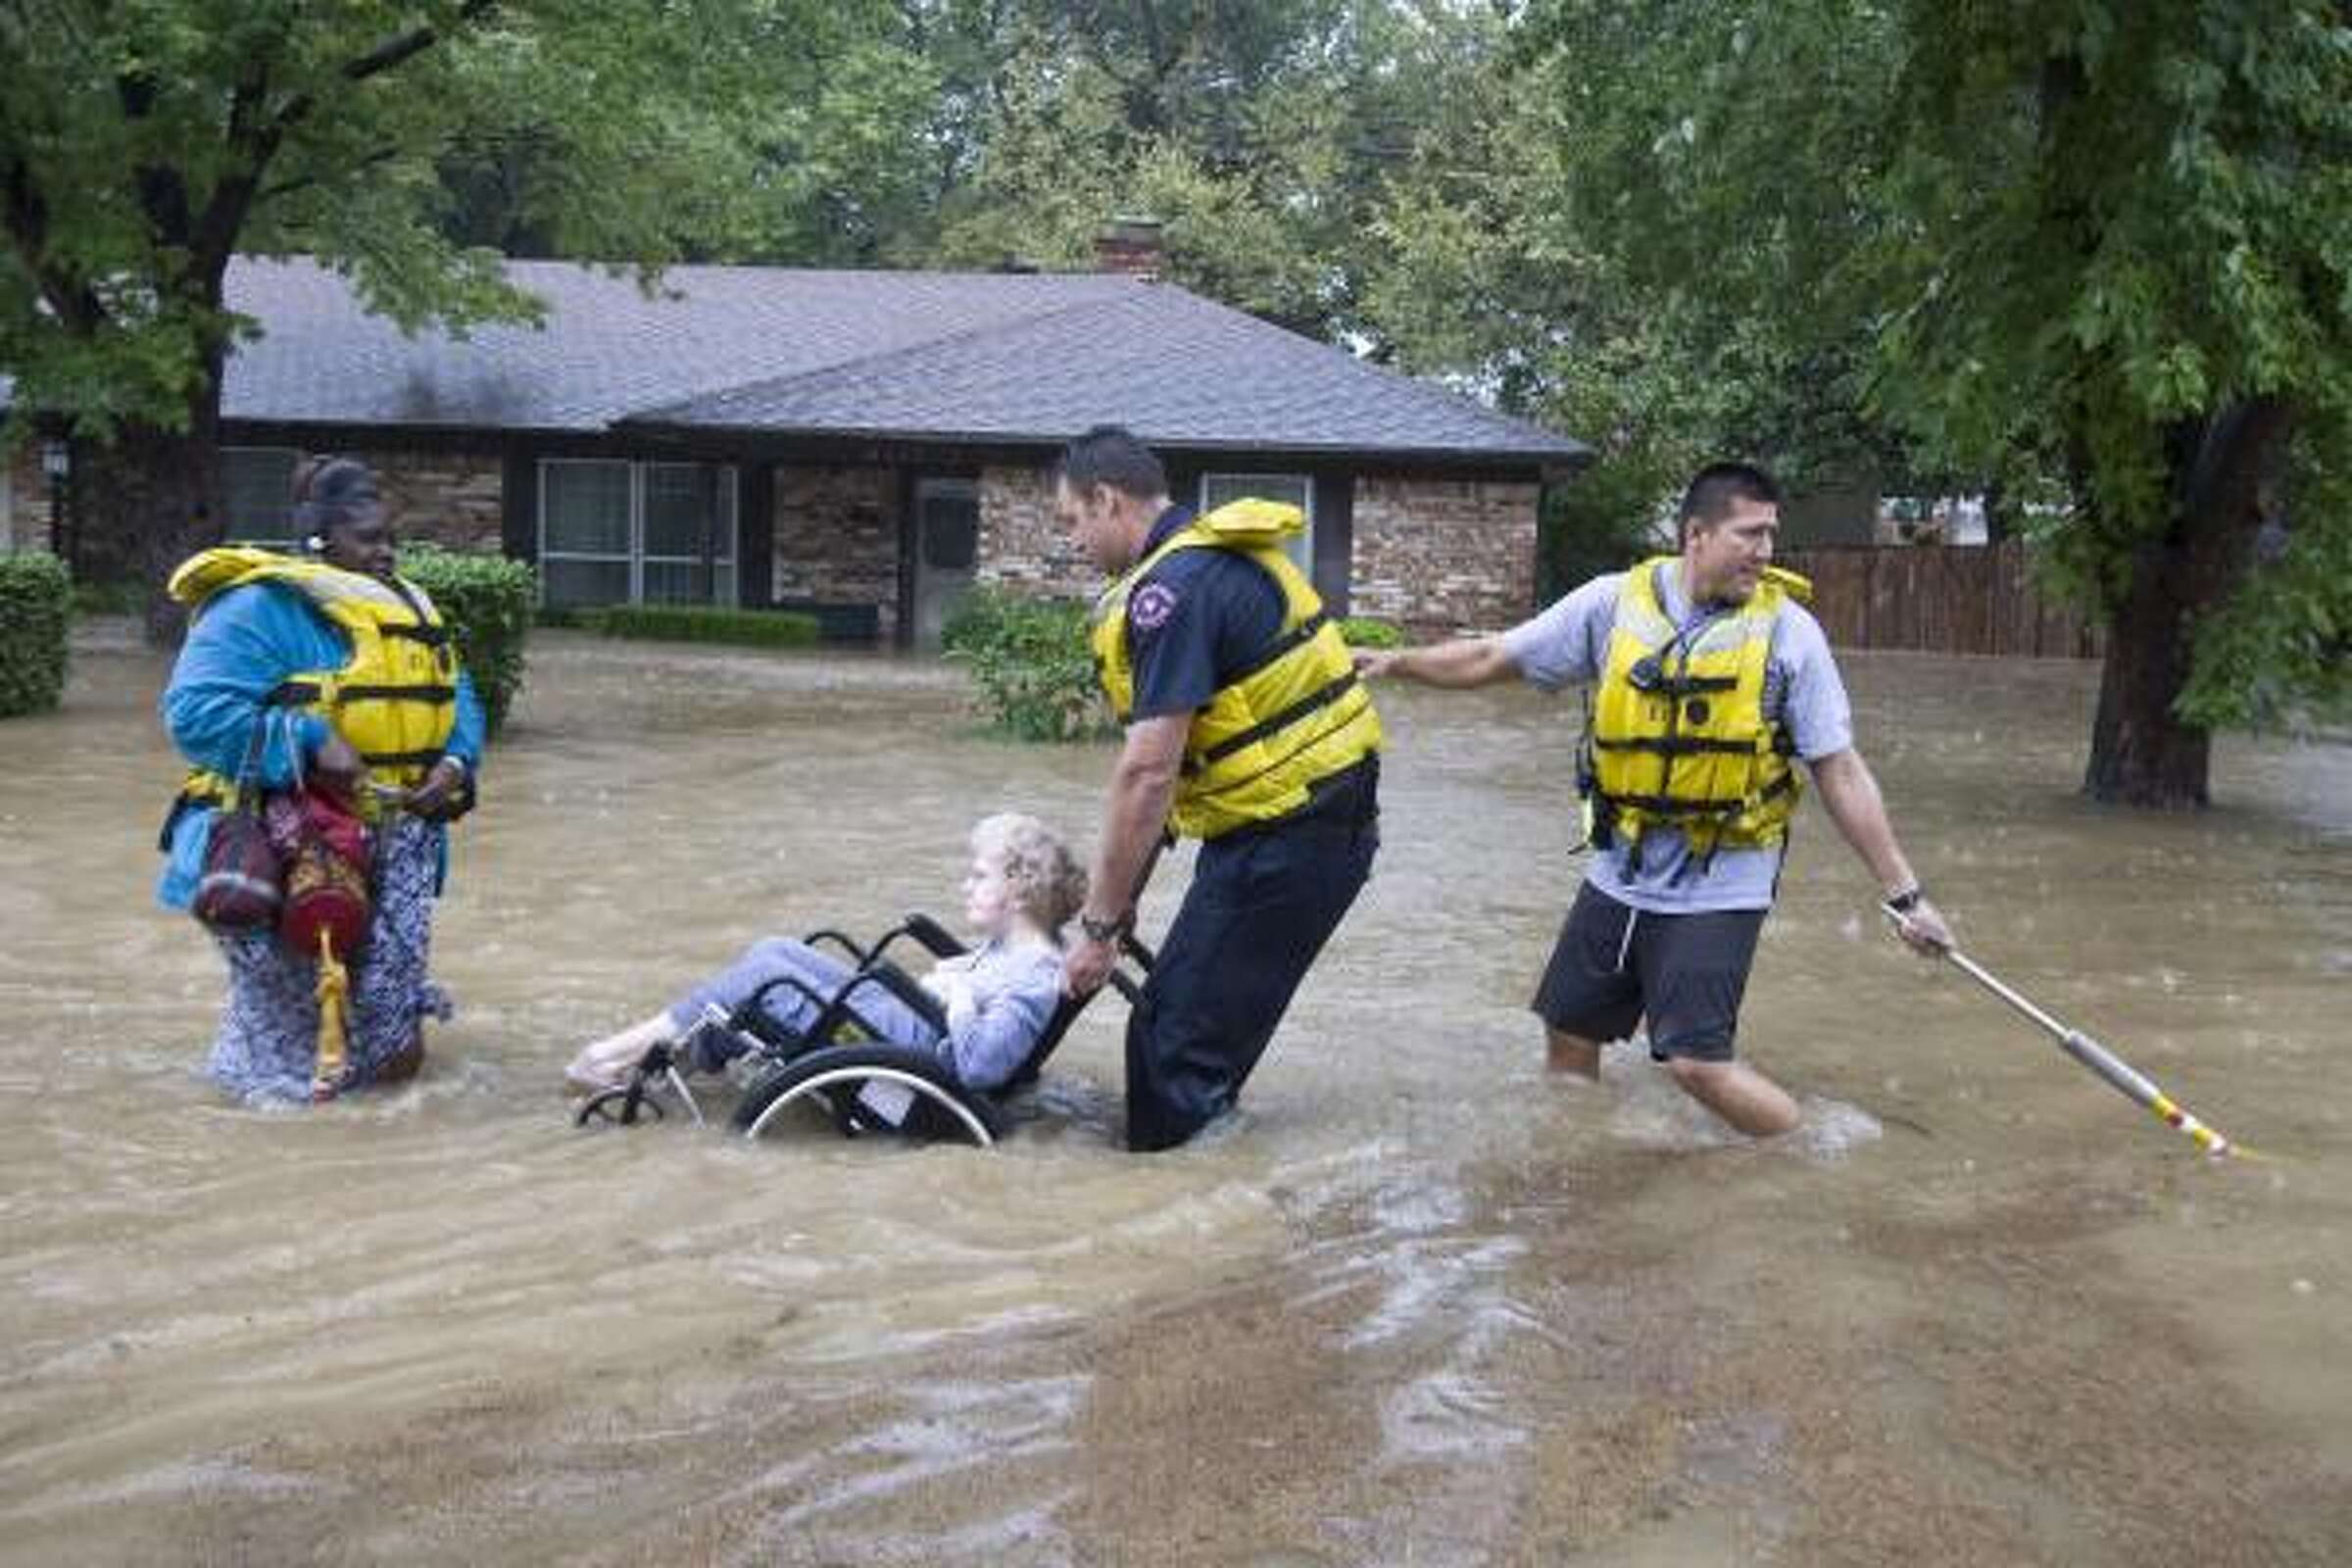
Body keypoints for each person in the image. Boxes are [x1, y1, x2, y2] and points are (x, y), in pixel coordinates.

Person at [1355, 462, 1953, 1137]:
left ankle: (1820, 1147)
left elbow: (1839, 770)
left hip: (1722, 878)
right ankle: (1579, 1165)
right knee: (1570, 1035)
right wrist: (1397, 662)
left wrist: (1905, 895)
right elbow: (1496, 657)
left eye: (1770, 536)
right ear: (1696, 533)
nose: (1763, 552)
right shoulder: (1612, 604)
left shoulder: (1790, 635)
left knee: (1696, 1065)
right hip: (1620, 869)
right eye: (1748, 534)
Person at [1054, 426, 1383, 1152]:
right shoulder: (1204, 564)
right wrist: (1124, 897)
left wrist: (1101, 928)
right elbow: (1189, 770)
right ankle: (1212, 1171)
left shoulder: (1169, 592)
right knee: (1178, 1029)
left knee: (1174, 1048)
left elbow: (1147, 774)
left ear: (1106, 500)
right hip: (1308, 829)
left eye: (1071, 521)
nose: (1071, 541)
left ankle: (1203, 1227)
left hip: (1291, 838)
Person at [158, 456, 485, 1103]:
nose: (387, 553)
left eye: (392, 537)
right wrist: (310, 739)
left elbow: (460, 700)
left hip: (401, 845)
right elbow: (192, 716)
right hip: (284, 845)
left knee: (394, 1045)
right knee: (284, 1053)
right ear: (319, 540)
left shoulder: (406, 610)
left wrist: (452, 766)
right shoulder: (257, 608)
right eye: (369, 539)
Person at [564, 812, 1089, 1096]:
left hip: (917, 1050)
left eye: (979, 877)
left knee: (766, 977)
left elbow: (979, 1070)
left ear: (1020, 891)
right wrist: (956, 979)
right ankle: (664, 1052)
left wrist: (958, 997)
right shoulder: (1014, 947)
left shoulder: (1035, 974)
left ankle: (610, 1056)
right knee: (776, 950)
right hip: (911, 1023)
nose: (964, 886)